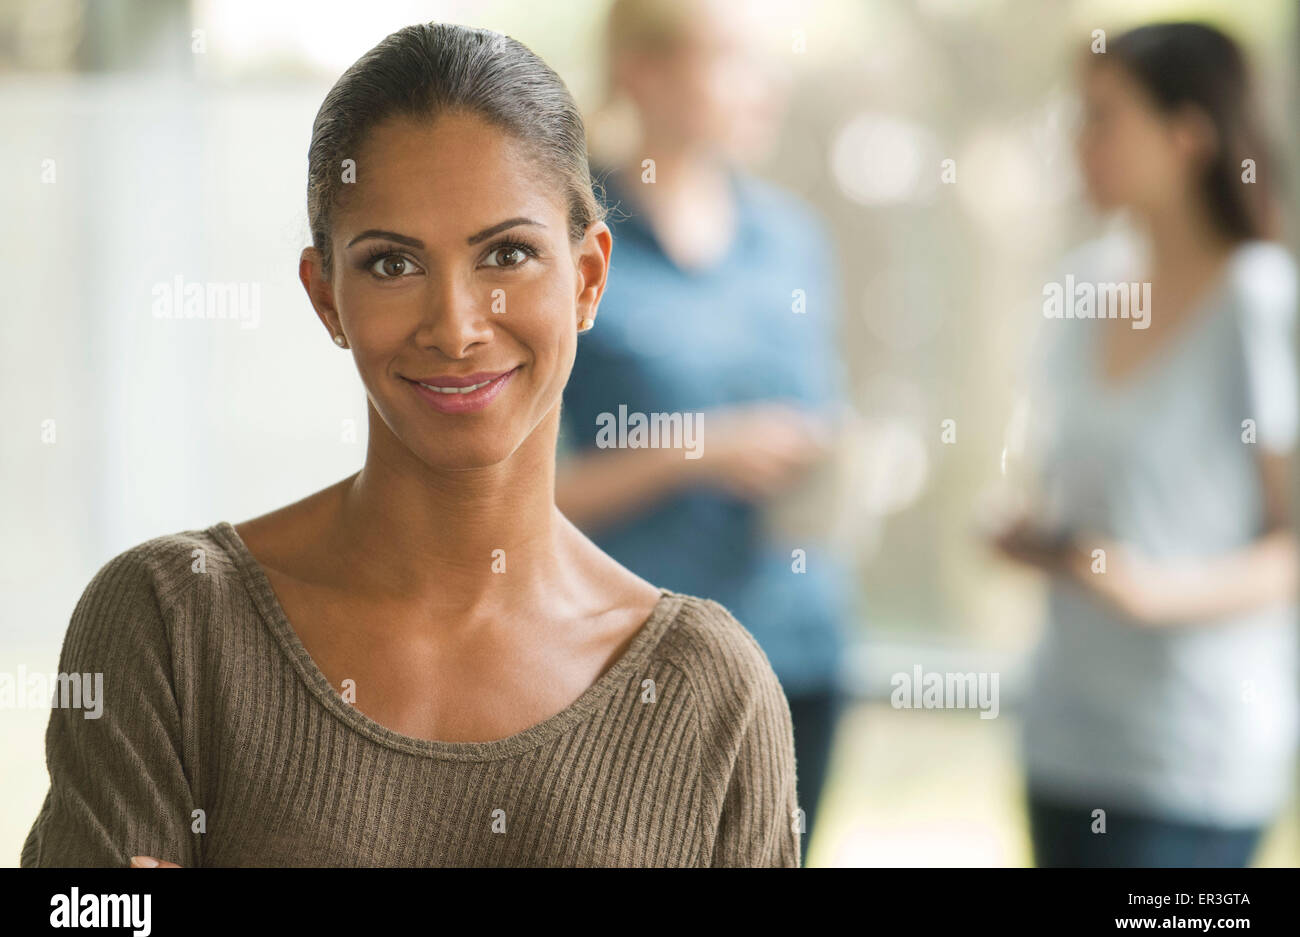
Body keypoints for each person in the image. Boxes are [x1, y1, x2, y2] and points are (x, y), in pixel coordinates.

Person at [21, 22, 799, 868]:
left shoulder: (711, 695)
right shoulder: (171, 625)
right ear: (326, 298)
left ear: (586, 279)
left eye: (507, 254)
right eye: (393, 264)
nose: (456, 328)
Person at [556, 0, 856, 864]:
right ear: (641, 71)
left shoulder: (790, 241)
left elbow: (812, 419)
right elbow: (519, 495)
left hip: (801, 649)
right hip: (642, 669)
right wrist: (698, 450)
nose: (765, 83)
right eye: (731, 58)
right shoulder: (568, 239)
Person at [993, 22, 1298, 866]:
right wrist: (1041, 537)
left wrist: (1159, 590)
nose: (1079, 143)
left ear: (1187, 136)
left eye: (1101, 118)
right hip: (1065, 740)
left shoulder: (1258, 302)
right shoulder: (1085, 285)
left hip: (1191, 755)